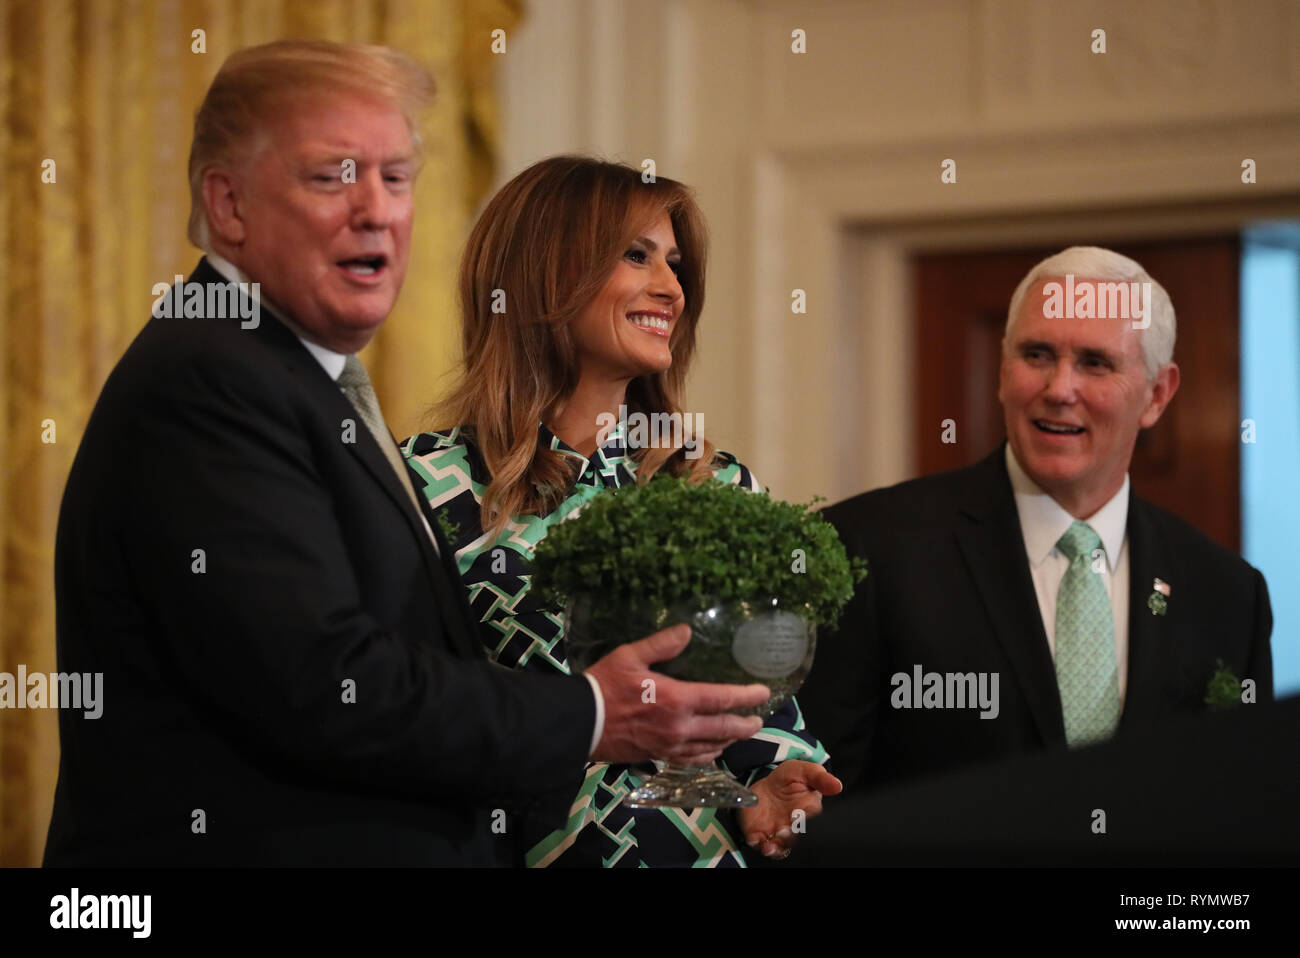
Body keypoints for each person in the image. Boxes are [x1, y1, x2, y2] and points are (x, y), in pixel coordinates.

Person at [43, 41, 769, 867]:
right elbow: (325, 688)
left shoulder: (287, 375)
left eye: (395, 178)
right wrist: (595, 714)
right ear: (229, 204)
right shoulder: (213, 380)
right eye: (332, 176)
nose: (376, 210)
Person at [403, 156, 841, 867]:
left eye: (675, 265)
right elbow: (401, 717)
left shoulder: (716, 487)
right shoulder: (425, 484)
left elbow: (764, 703)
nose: (671, 288)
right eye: (636, 257)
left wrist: (775, 775)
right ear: (545, 271)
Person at [798, 246, 1274, 795]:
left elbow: (1241, 808)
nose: (1059, 389)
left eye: (1095, 363)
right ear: (1002, 370)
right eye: (1038, 355)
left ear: (1157, 395)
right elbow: (815, 805)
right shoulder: (867, 548)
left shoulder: (1229, 595)